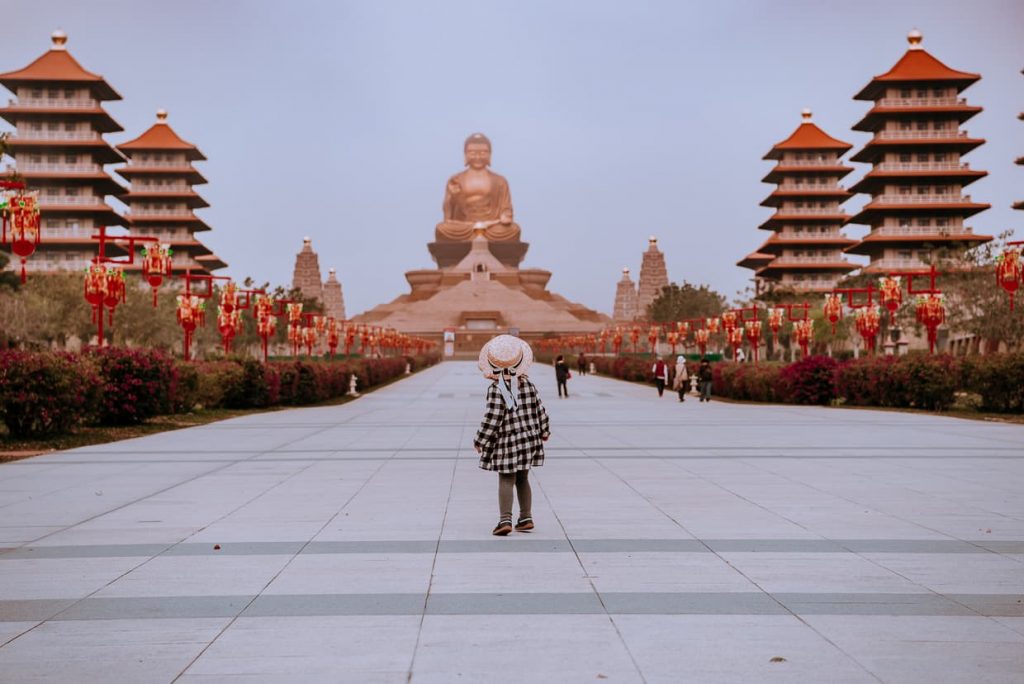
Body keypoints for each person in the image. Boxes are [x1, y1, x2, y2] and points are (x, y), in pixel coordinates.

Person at [474, 335, 550, 536]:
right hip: (529, 439)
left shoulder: (497, 388)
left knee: (506, 478)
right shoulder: (528, 384)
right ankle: (526, 517)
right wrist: (544, 430)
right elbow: (540, 410)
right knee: (523, 477)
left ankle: (505, 520)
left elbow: (493, 417)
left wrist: (480, 439)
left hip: (507, 439)